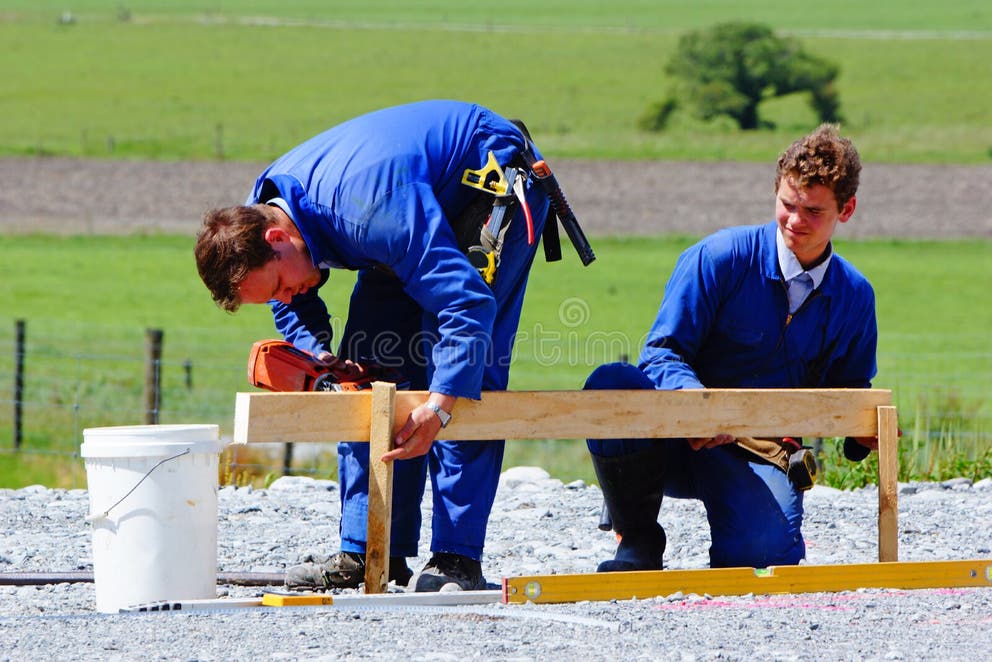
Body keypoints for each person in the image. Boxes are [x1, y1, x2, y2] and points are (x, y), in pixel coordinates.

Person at [194, 100, 558, 592]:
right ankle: (369, 551)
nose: (284, 297)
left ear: (278, 239)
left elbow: (466, 306)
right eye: (272, 295)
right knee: (364, 372)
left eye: (280, 284)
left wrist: (440, 407)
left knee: (465, 367)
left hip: (489, 182)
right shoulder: (258, 216)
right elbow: (294, 305)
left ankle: (456, 558)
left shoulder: (369, 211)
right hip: (403, 211)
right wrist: (317, 355)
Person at [585, 124, 879, 571]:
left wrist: (862, 433)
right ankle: (637, 538)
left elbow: (851, 387)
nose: (795, 221)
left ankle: (744, 525)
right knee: (611, 385)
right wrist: (694, 404)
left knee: (761, 559)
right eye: (787, 205)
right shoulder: (717, 257)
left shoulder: (856, 295)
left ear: (848, 209)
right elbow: (661, 353)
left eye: (813, 212)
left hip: (761, 451)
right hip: (677, 437)